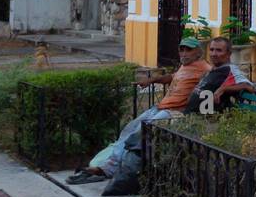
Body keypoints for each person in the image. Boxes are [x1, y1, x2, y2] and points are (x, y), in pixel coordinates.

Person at [66, 37, 211, 185]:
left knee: (138, 134)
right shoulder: (185, 66)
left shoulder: (204, 68)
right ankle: (105, 165)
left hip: (174, 112)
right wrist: (151, 80)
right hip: (160, 107)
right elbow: (172, 77)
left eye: (189, 50)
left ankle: (107, 169)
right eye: (182, 49)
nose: (184, 53)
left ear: (198, 52)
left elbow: (209, 90)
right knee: (129, 130)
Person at [184, 36, 256, 113]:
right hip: (188, 116)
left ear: (228, 54)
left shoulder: (230, 69)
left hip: (205, 121)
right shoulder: (212, 69)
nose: (213, 54)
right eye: (211, 50)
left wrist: (223, 89)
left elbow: (249, 86)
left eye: (219, 50)